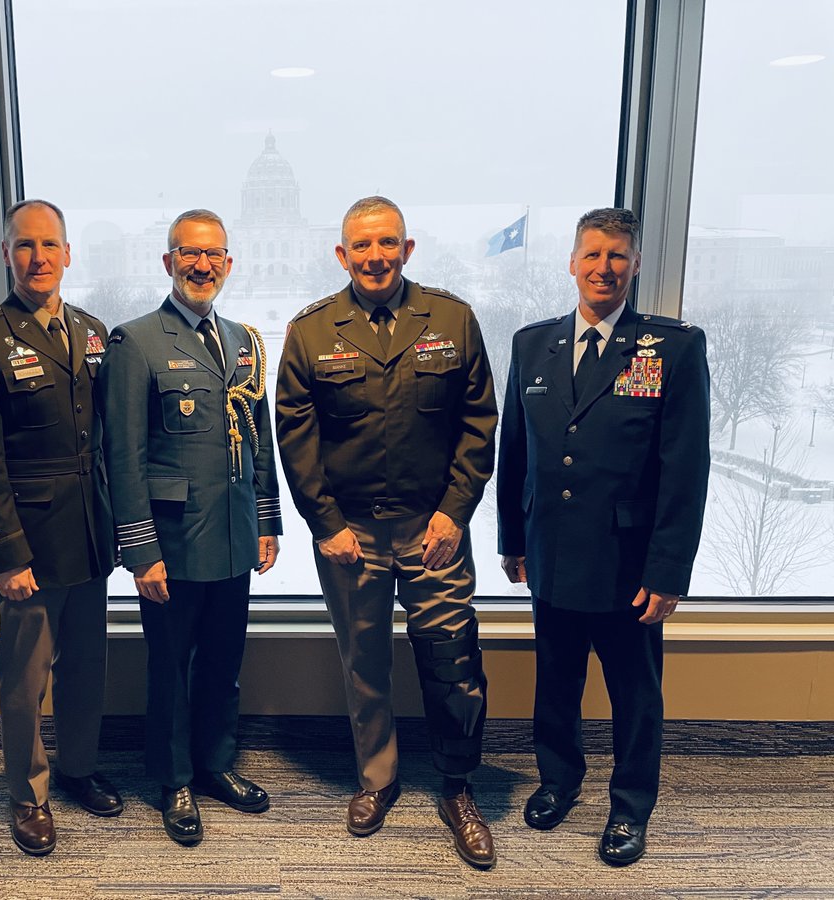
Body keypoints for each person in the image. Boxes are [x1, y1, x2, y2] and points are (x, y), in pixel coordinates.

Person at [275, 196, 497, 869]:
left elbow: (479, 422)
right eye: (362, 246)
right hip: (352, 535)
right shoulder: (312, 330)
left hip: (435, 530)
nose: (375, 257)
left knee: (453, 661)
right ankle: (378, 779)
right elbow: (296, 437)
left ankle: (457, 787)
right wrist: (325, 524)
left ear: (407, 248)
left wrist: (455, 511)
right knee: (365, 663)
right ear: (342, 255)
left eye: (387, 243)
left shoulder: (452, 319)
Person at [496, 207, 710, 867]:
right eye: (592, 254)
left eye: (617, 255)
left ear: (635, 265)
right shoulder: (533, 345)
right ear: (572, 262)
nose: (603, 268)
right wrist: (512, 539)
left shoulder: (670, 348)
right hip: (552, 551)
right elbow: (516, 452)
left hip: (627, 564)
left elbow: (685, 469)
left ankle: (630, 806)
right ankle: (558, 780)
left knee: (634, 695)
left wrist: (668, 570)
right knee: (556, 682)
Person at [98, 209, 283, 846]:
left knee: (224, 663)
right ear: (169, 261)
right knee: (171, 667)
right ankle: (174, 779)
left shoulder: (245, 341)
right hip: (171, 542)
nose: (202, 266)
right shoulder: (135, 341)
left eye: (213, 255)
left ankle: (215, 764)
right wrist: (140, 550)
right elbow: (122, 456)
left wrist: (266, 519)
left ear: (228, 263)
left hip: (233, 535)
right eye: (189, 254)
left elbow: (258, 439)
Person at [0, 200, 121, 858]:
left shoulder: (92, 332)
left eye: (49, 244)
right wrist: (6, 553)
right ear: (6, 255)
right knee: (25, 680)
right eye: (25, 245)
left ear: (68, 253)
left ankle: (78, 769)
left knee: (87, 668)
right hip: (29, 541)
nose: (38, 257)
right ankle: (27, 792)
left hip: (90, 533)